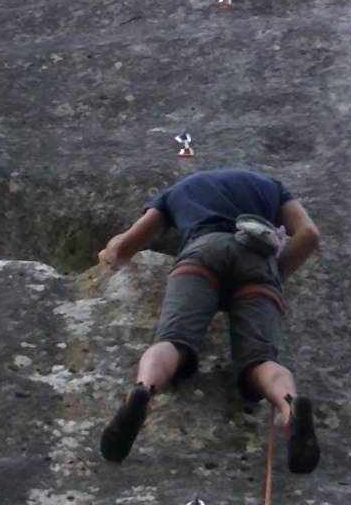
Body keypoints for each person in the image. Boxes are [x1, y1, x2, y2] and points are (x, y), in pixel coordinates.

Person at [95, 167, 322, 473]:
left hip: (202, 254)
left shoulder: (177, 191)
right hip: (258, 257)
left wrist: (106, 255)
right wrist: (272, 278)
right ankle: (289, 404)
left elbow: (123, 248)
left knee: (172, 340)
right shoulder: (272, 187)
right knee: (260, 360)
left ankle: (143, 389)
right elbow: (308, 234)